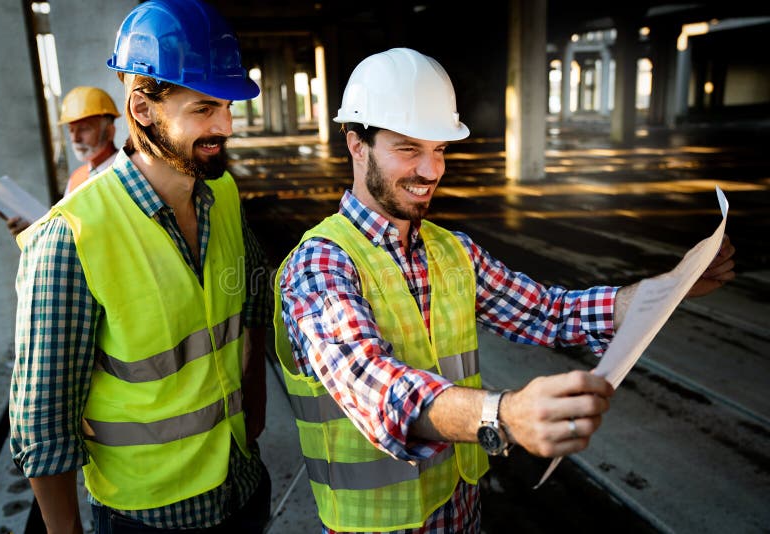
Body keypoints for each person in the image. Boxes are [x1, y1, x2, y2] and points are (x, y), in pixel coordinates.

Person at [273, 47, 736, 533]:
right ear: (356, 144)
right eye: (408, 148)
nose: (431, 172)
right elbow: (373, 384)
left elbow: (548, 313)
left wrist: (668, 289)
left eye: (440, 149)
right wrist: (505, 415)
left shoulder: (452, 251)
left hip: (462, 515)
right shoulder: (321, 264)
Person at [9, 0, 272, 532]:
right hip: (148, 515)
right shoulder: (72, 236)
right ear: (144, 108)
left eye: (228, 106)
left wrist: (255, 426)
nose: (225, 124)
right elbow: (42, 425)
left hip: (242, 488)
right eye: (203, 109)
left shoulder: (222, 195)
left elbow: (254, 311)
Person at [0, 86, 120, 236]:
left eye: (84, 129)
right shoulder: (77, 178)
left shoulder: (126, 169)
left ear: (109, 132)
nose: (75, 138)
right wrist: (32, 233)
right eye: (71, 130)